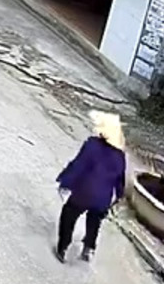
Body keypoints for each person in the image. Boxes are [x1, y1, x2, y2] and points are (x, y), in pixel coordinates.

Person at [54, 111, 128, 263]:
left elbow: (78, 166)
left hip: (84, 192)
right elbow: (120, 181)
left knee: (69, 214)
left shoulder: (92, 145)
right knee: (95, 220)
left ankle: (63, 247)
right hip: (103, 199)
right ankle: (89, 248)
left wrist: (65, 181)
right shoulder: (120, 156)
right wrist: (118, 197)